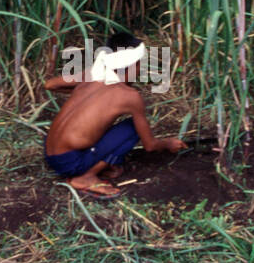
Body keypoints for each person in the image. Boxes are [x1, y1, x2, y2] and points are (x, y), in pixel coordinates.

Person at [43, 32, 186, 198]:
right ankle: (85, 177)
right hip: (69, 163)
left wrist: (82, 92)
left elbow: (50, 84)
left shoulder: (92, 74)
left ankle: (94, 162)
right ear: (134, 64)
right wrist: (168, 143)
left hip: (49, 152)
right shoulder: (129, 96)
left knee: (102, 123)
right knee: (132, 128)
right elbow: (150, 145)